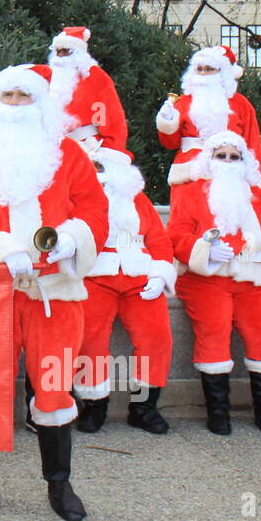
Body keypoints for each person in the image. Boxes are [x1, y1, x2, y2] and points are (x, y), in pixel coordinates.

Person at [0, 64, 108, 521]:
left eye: (24, 96)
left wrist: (73, 240)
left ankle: (59, 483)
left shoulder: (69, 155)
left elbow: (93, 208)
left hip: (54, 292)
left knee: (54, 389)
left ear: (42, 105)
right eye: (8, 96)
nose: (15, 105)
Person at [167, 132, 261, 436]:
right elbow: (176, 235)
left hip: (253, 275)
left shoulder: (256, 194)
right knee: (212, 338)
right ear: (209, 160)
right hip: (208, 279)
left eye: (235, 156)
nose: (229, 162)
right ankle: (218, 413)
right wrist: (203, 248)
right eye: (222, 156)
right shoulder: (190, 193)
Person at [75, 147, 175, 434]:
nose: (97, 173)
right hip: (95, 275)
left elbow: (159, 239)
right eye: (91, 166)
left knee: (157, 338)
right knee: (90, 341)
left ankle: (144, 408)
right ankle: (94, 406)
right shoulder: (79, 198)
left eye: (100, 166)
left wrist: (159, 274)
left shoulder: (138, 200)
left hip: (139, 277)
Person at [156, 46, 261, 186]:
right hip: (188, 172)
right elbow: (171, 144)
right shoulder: (182, 102)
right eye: (199, 69)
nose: (203, 74)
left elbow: (252, 142)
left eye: (209, 69)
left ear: (222, 72)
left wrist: (255, 176)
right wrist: (166, 122)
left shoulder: (240, 103)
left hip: (228, 171)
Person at [46, 26, 128, 153]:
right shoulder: (49, 77)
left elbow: (113, 119)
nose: (60, 56)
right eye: (57, 51)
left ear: (79, 53)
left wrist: (111, 151)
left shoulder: (96, 77)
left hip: (87, 149)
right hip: (52, 149)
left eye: (66, 51)